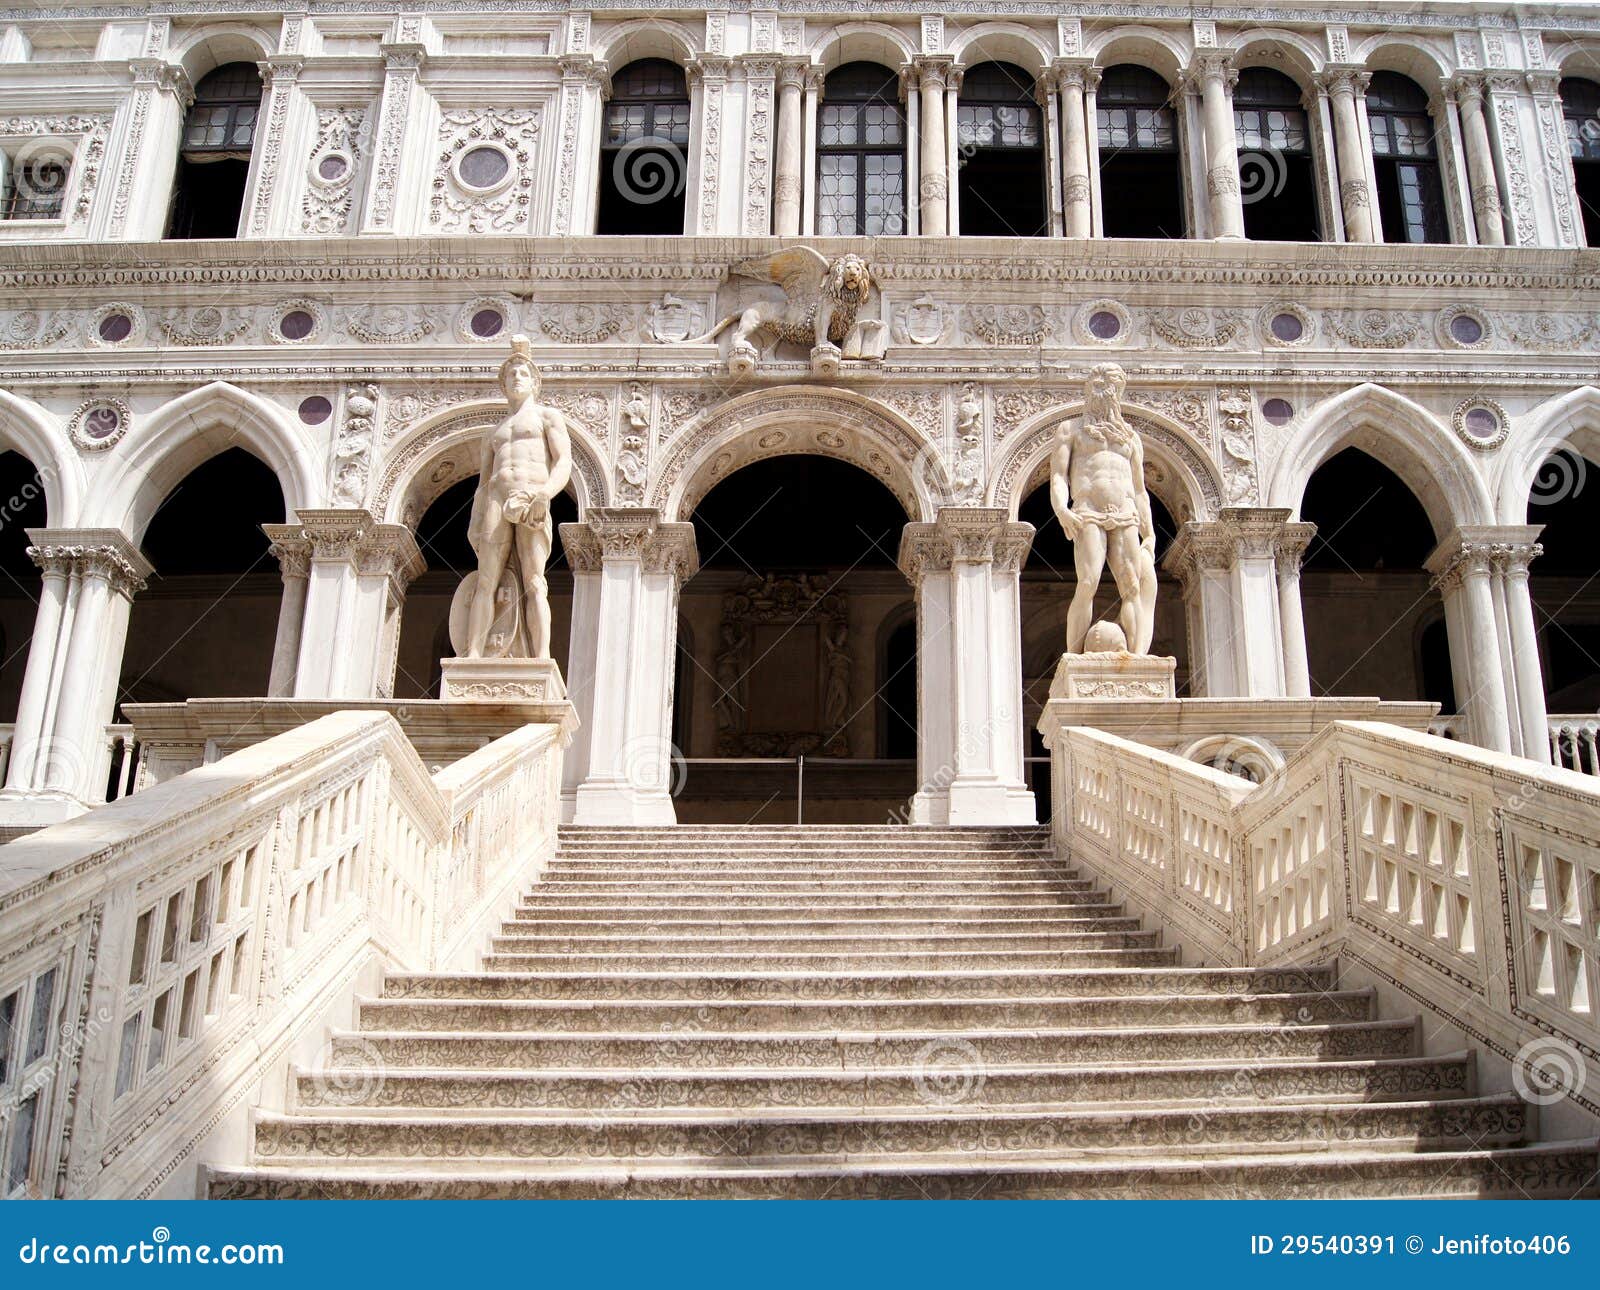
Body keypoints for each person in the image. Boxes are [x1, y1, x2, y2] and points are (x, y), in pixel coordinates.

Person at [465, 336, 572, 659]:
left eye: (523, 373)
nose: (516, 378)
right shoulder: (494, 433)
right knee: (486, 580)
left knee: (535, 580)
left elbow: (563, 461)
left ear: (535, 382)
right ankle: (472, 653)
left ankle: (540, 656)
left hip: (531, 497)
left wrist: (545, 494)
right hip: (497, 498)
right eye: (511, 374)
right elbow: (484, 483)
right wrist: (475, 519)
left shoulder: (547, 417)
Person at [1049, 362, 1158, 654]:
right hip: (1088, 512)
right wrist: (1062, 509)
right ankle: (1072, 660)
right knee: (1087, 583)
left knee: (1132, 587)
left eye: (1108, 386)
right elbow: (1058, 475)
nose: (1101, 392)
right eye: (1095, 385)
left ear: (1118, 392)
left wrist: (1149, 532)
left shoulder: (1130, 437)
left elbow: (1138, 488)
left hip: (1125, 513)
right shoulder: (1071, 430)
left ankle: (1136, 659)